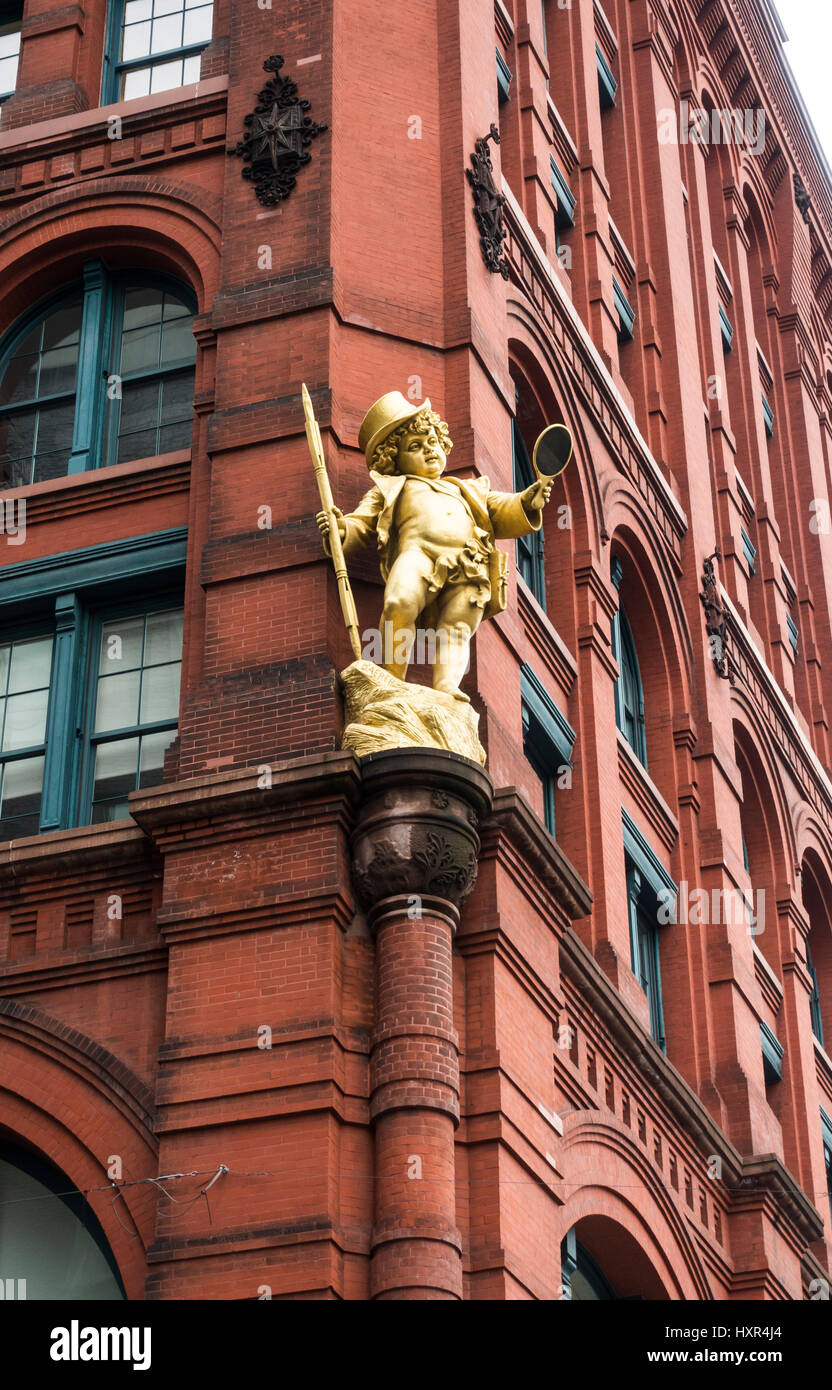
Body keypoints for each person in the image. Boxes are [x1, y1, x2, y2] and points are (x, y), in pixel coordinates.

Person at [318, 391, 552, 698]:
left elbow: (502, 509)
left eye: (432, 441)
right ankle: (392, 679)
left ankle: (446, 688)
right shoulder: (391, 487)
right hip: (418, 555)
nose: (428, 450)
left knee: (457, 629)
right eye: (415, 446)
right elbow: (361, 523)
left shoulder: (467, 489)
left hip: (469, 563)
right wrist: (340, 528)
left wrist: (528, 499)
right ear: (394, 459)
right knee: (398, 603)